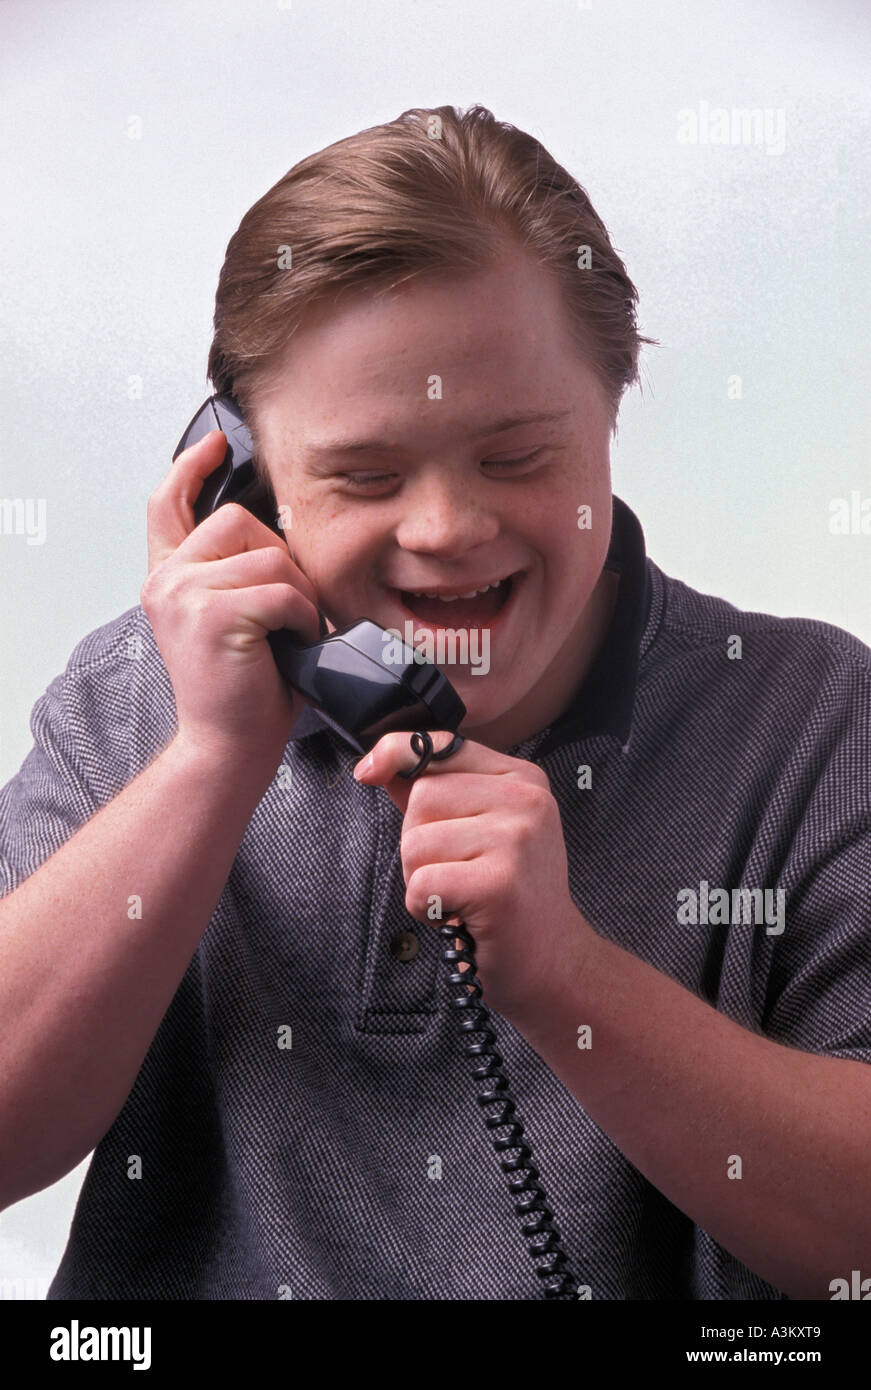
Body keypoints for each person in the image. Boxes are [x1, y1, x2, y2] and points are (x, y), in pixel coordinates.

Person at [1, 104, 869, 1301]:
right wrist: (211, 759)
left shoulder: (810, 718)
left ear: (612, 418)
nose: (450, 528)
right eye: (363, 474)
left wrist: (570, 980)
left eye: (516, 457)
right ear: (236, 478)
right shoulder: (130, 697)